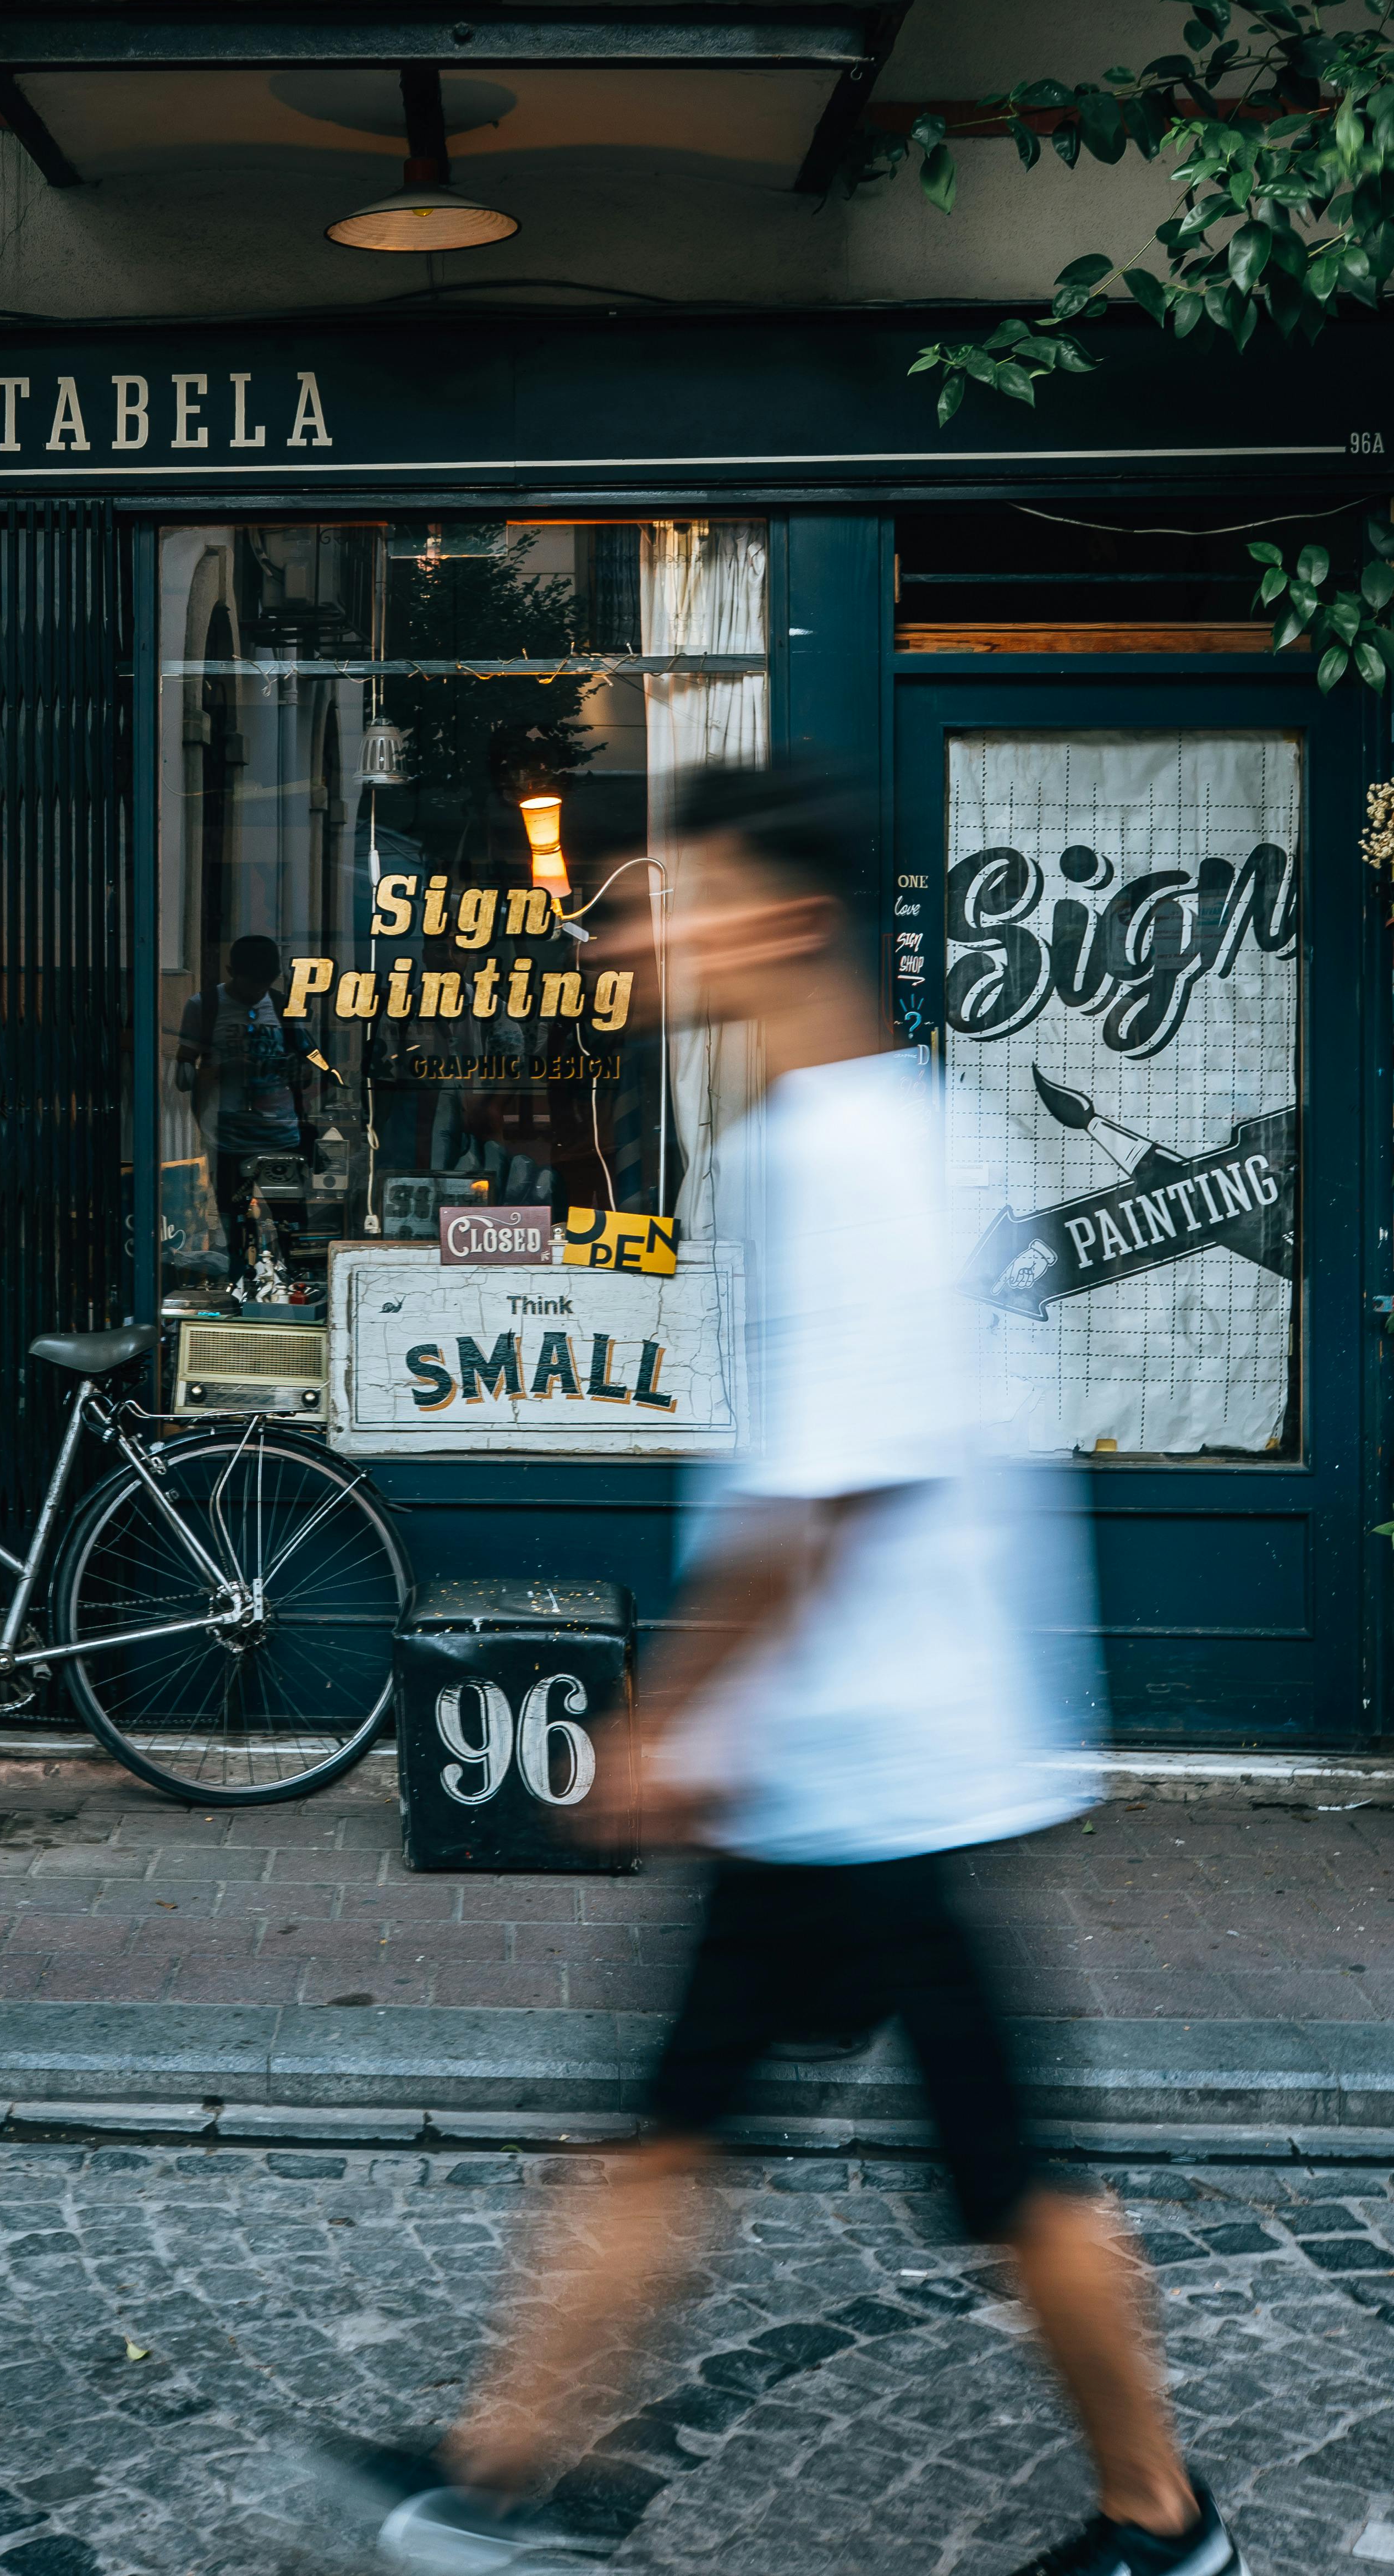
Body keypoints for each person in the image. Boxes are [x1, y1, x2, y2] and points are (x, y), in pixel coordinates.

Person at [318, 761, 1239, 2576]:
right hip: (857, 1766)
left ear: (790, 923)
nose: (651, 928)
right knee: (693, 2132)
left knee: (966, 2168)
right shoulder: (873, 1133)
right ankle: (507, 2472)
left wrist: (666, 1723)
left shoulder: (836, 1157)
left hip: (872, 1770)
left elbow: (823, 1500)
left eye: (690, 894)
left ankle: (1158, 2517)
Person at [173, 933, 311, 1282]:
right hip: (228, 1136)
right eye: (251, 985)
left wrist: (298, 1069)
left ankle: (291, 1284)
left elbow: (309, 1069)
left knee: (291, 1226)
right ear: (231, 971)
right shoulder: (204, 1006)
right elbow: (182, 1076)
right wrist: (224, 1069)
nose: (257, 993)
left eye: (266, 984)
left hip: (280, 1133)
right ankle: (241, 1285)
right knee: (235, 1228)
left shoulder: (283, 1005)